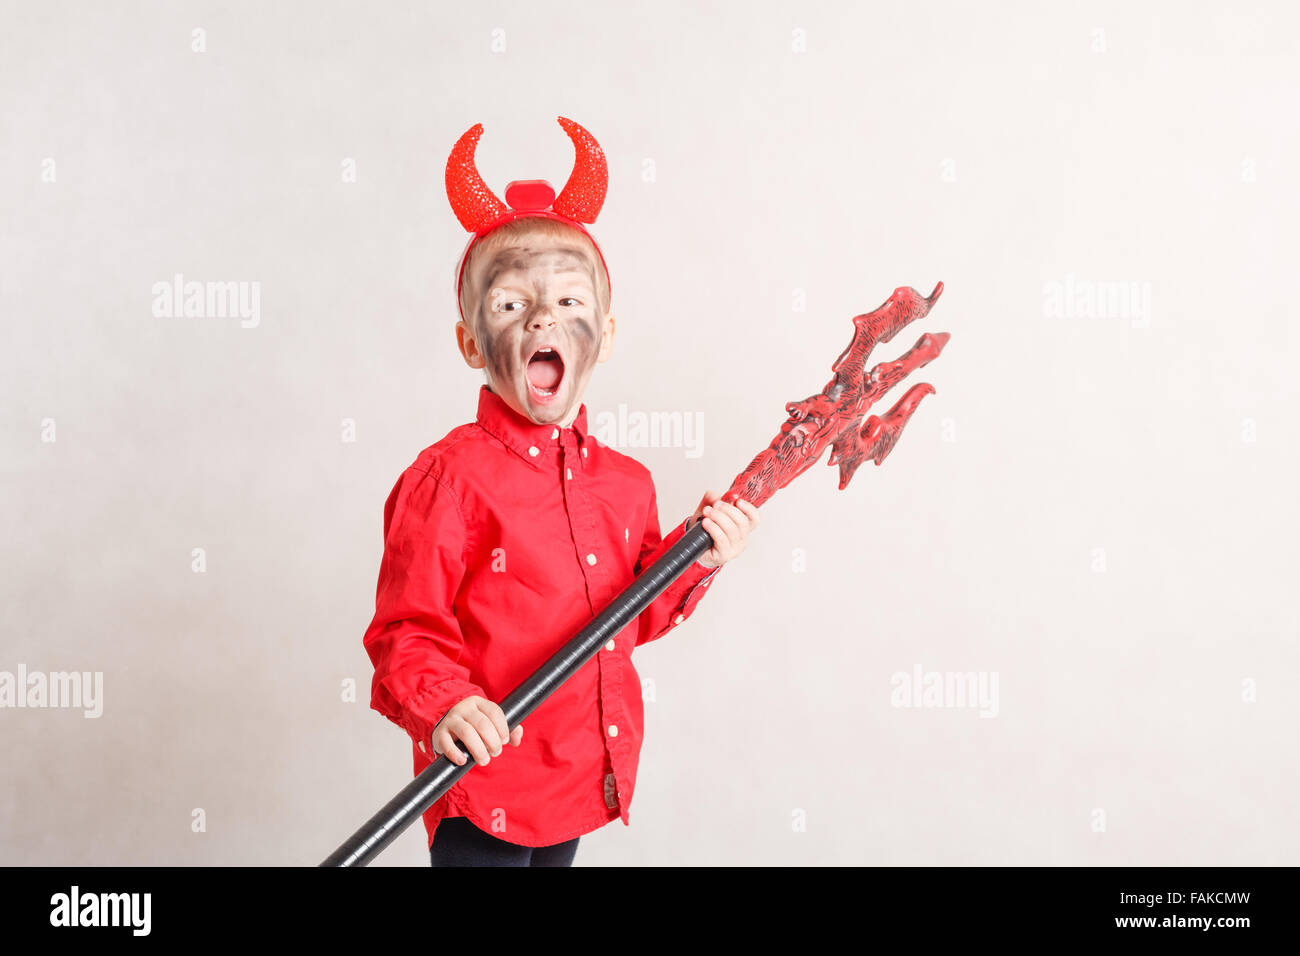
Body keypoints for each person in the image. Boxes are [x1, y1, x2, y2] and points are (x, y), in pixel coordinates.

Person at [362, 117, 759, 867]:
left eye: (570, 304)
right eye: (512, 305)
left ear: (603, 338)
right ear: (473, 342)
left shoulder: (626, 484)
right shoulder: (448, 479)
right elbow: (404, 631)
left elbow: (629, 617)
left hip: (576, 773)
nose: (545, 317)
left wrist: (700, 556)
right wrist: (446, 703)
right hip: (485, 786)